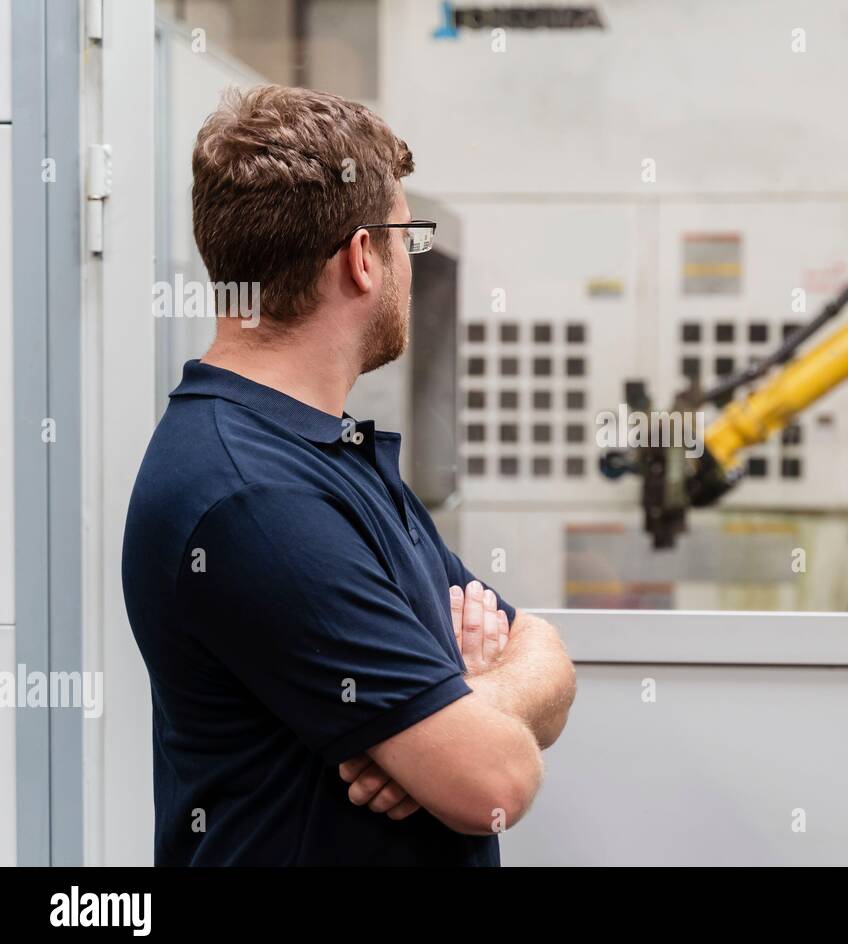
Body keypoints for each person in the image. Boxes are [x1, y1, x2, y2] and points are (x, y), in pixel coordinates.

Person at [122, 85, 576, 865]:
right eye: (408, 240)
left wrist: (468, 705)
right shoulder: (253, 495)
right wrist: (462, 736)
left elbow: (544, 650)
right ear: (364, 259)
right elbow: (494, 784)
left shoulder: (326, 453)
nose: (408, 263)